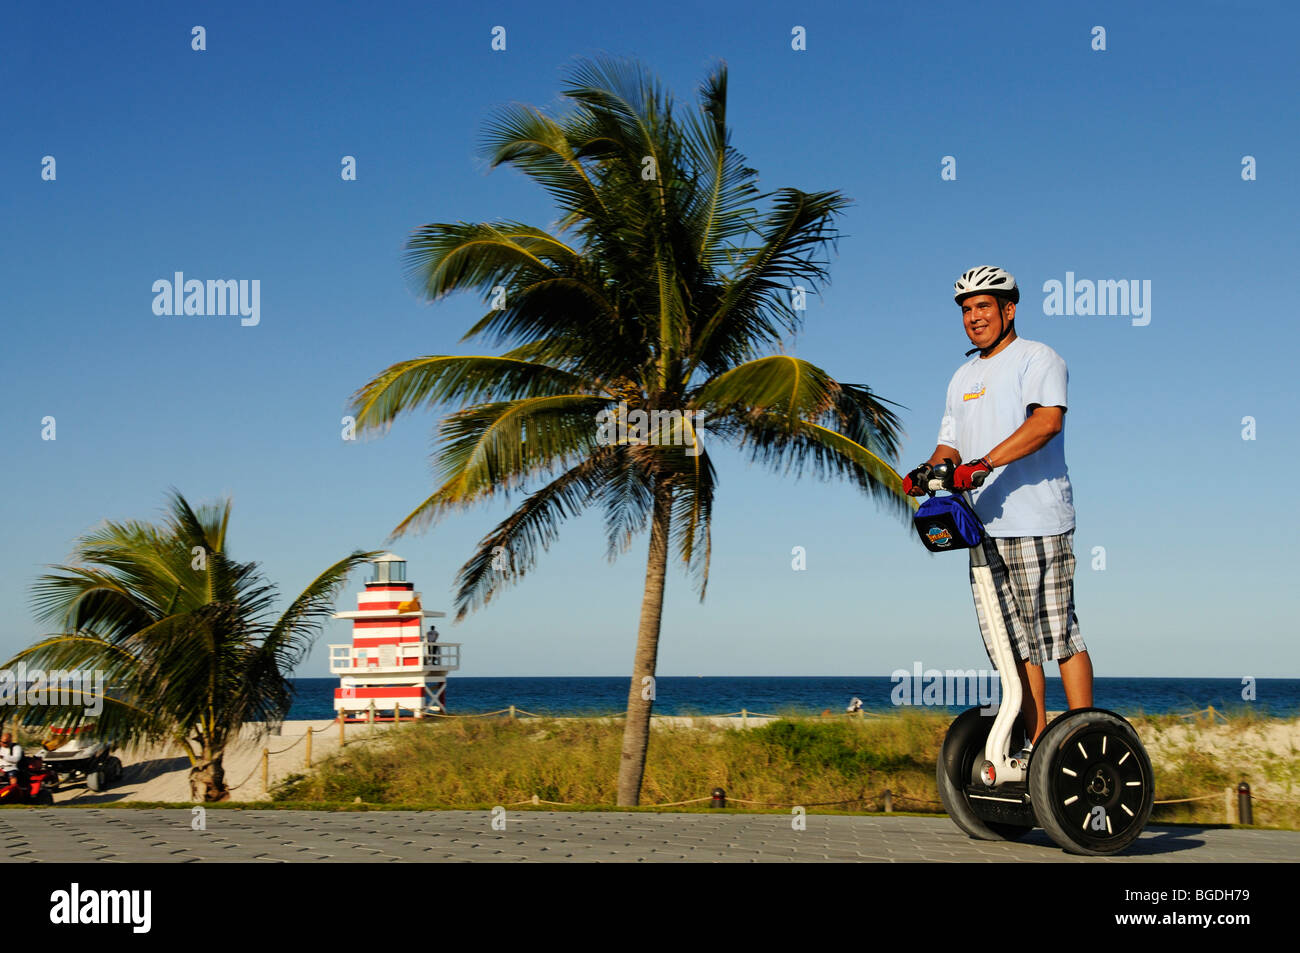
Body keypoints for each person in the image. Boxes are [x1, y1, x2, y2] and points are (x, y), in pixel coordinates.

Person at [902, 266, 1092, 756]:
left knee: (1058, 635)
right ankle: (1038, 746)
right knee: (1014, 647)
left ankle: (1082, 738)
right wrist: (926, 472)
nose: (974, 317)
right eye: (967, 310)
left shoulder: (1038, 358)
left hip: (1039, 519)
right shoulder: (962, 376)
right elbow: (949, 445)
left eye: (983, 306)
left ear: (1009, 309)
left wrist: (983, 464)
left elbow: (1046, 422)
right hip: (982, 527)